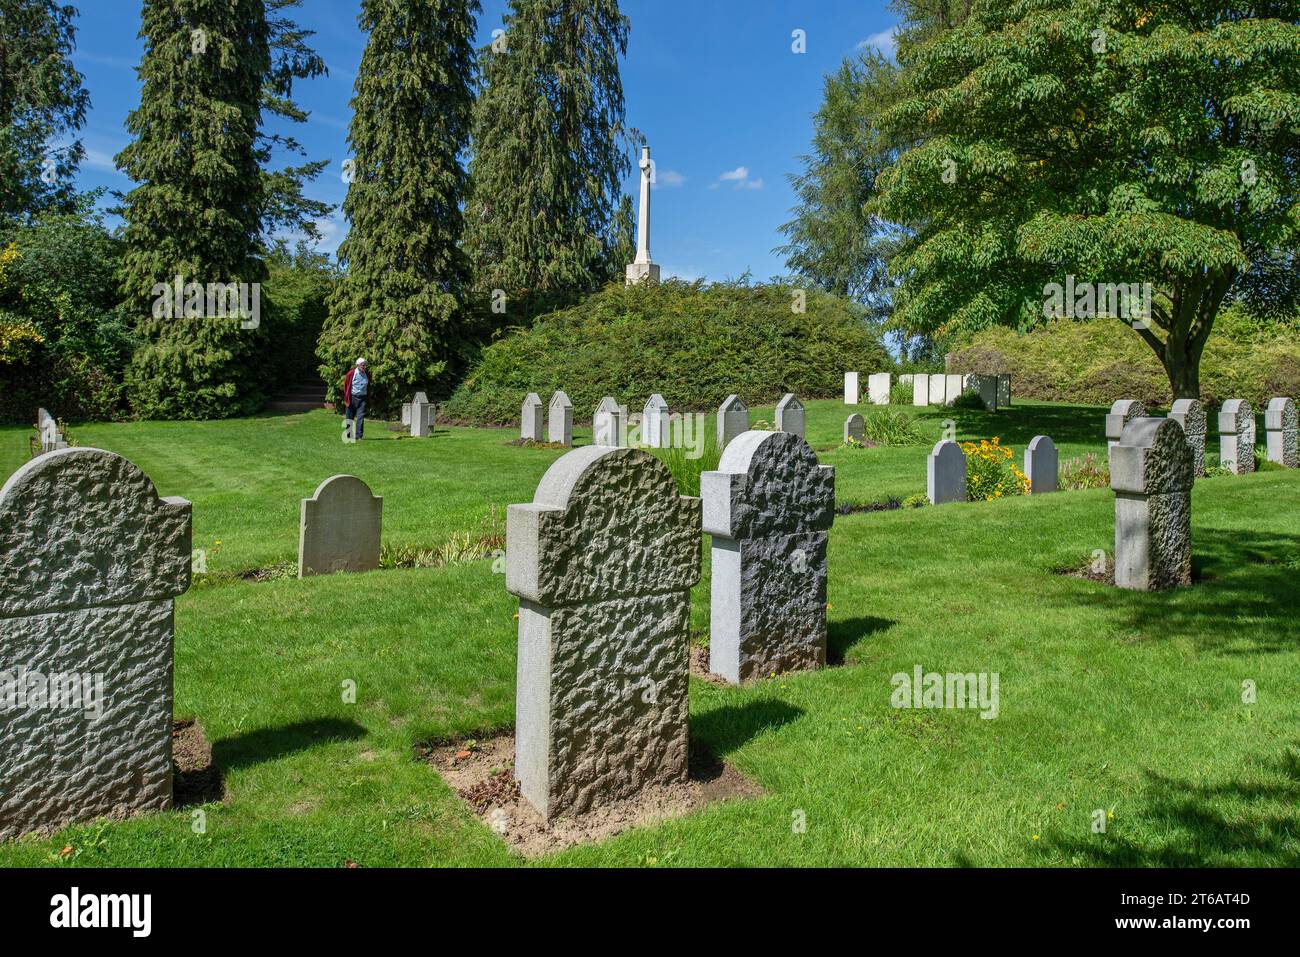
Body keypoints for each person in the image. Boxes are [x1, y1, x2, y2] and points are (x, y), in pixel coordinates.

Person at [342, 358, 370, 440]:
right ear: (357, 365)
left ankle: (359, 436)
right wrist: (347, 396)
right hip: (352, 397)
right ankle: (349, 435)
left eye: (365, 365)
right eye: (362, 365)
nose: (364, 366)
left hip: (363, 398)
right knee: (349, 417)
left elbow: (369, 385)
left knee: (360, 417)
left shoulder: (367, 374)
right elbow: (346, 385)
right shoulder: (351, 373)